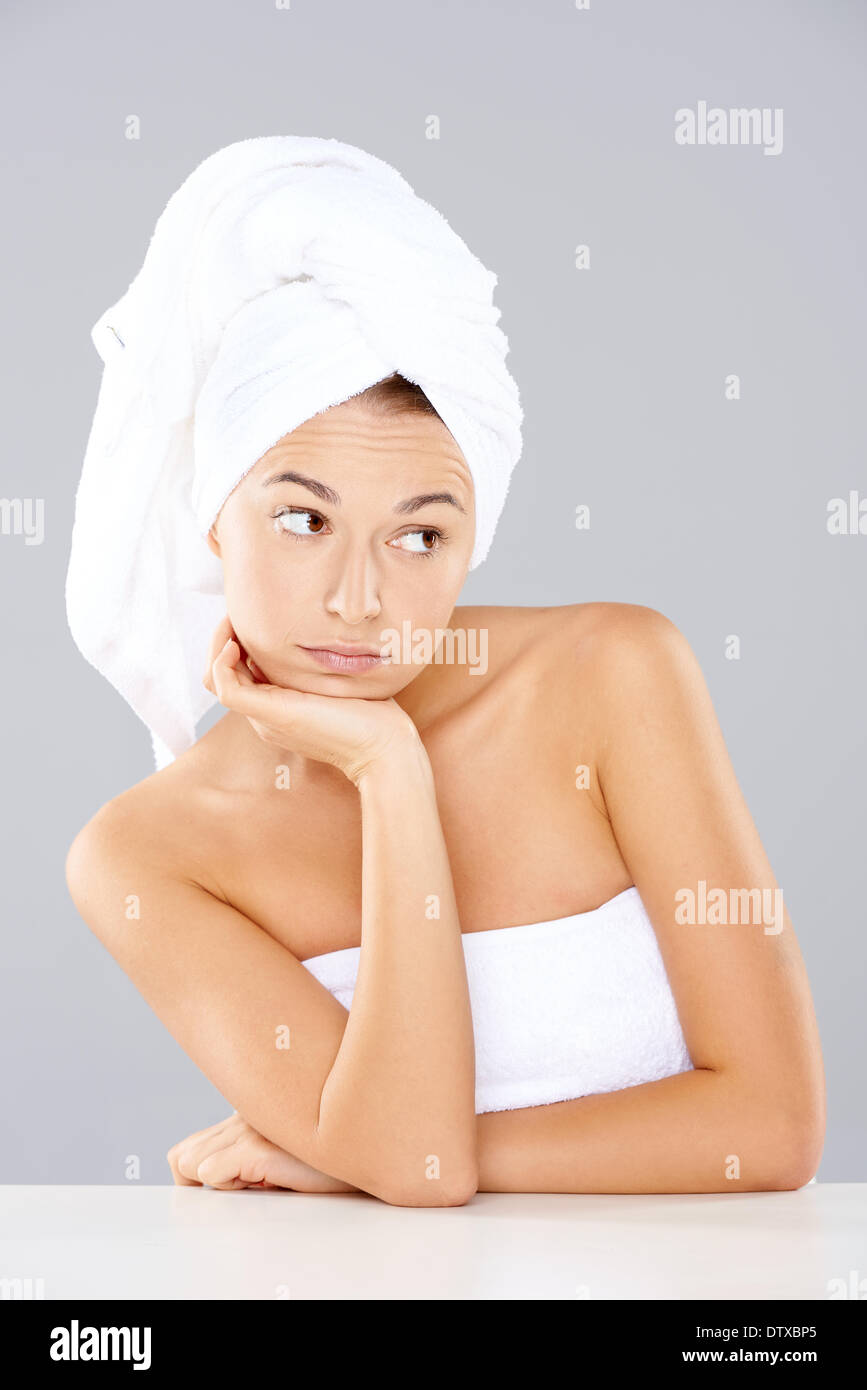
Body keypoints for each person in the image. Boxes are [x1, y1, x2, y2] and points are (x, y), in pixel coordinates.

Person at [64, 138, 825, 1205]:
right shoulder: (145, 855)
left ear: (473, 538)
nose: (359, 599)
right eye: (300, 518)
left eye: (419, 538)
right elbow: (416, 1181)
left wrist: (363, 1151)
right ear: (213, 525)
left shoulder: (613, 676)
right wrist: (390, 771)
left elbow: (774, 1127)